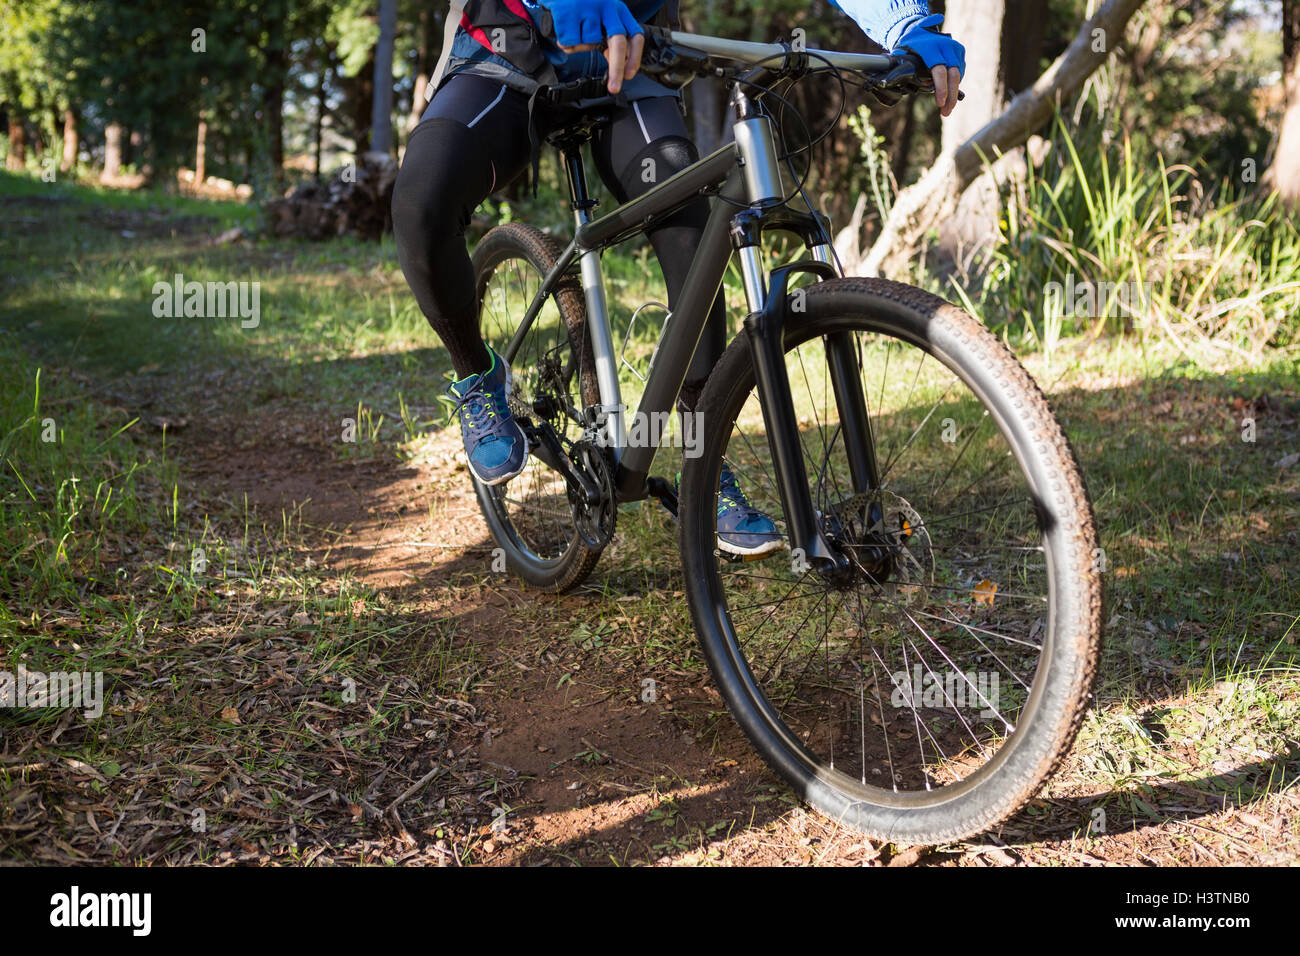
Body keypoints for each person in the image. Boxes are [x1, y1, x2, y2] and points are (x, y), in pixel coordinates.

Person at [391, 0, 964, 558]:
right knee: (421, 205)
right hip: (505, 52)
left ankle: (703, 462)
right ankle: (478, 377)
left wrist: (904, 21)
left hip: (635, 62)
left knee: (693, 231)